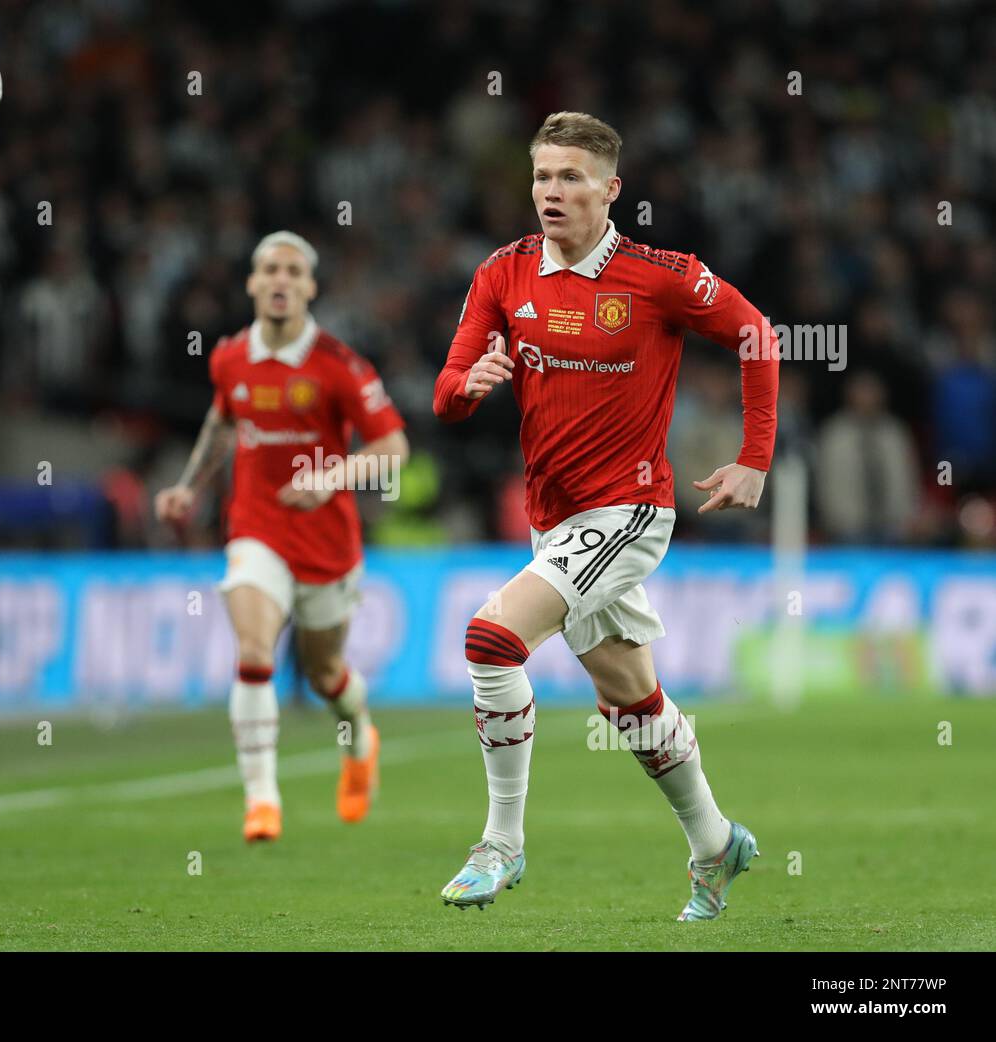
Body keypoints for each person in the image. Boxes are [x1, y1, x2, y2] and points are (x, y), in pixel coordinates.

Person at [433, 112, 780, 920]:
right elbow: (447, 396)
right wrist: (470, 386)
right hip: (551, 519)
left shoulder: (659, 276)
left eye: (570, 178)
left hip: (629, 508)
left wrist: (754, 459)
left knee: (490, 640)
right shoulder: (502, 273)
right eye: (542, 177)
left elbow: (758, 335)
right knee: (631, 701)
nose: (552, 192)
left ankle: (501, 844)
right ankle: (715, 842)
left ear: (610, 190)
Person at [155, 231, 408, 842]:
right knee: (254, 652)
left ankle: (360, 741)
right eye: (270, 269)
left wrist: (334, 476)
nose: (281, 280)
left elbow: (393, 449)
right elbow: (223, 420)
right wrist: (189, 484)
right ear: (251, 283)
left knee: (326, 677)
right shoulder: (229, 358)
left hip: (326, 543)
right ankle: (262, 799)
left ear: (310, 288)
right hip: (255, 528)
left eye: (294, 271)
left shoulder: (340, 365)